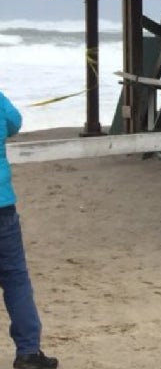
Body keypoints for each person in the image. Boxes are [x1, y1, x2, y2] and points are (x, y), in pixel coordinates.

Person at [0, 91, 57, 369]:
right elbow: (14, 123)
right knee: (15, 278)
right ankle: (28, 351)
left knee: (16, 277)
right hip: (2, 204)